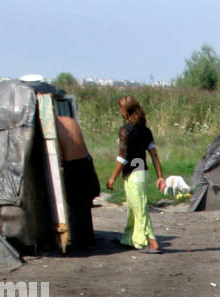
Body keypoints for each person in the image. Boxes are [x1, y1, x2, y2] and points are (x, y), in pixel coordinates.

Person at [105, 95, 166, 252]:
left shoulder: (125, 131)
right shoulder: (146, 131)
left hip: (132, 174)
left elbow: (123, 156)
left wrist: (112, 177)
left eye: (120, 108)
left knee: (139, 208)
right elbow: (154, 154)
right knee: (133, 207)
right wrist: (160, 176)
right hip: (142, 172)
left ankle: (151, 242)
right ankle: (129, 238)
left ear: (126, 110)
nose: (119, 111)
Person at [55, 114, 100, 250]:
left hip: (71, 165)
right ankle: (87, 239)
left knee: (74, 205)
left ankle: (80, 242)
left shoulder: (54, 125)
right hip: (85, 161)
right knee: (84, 206)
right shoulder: (69, 120)